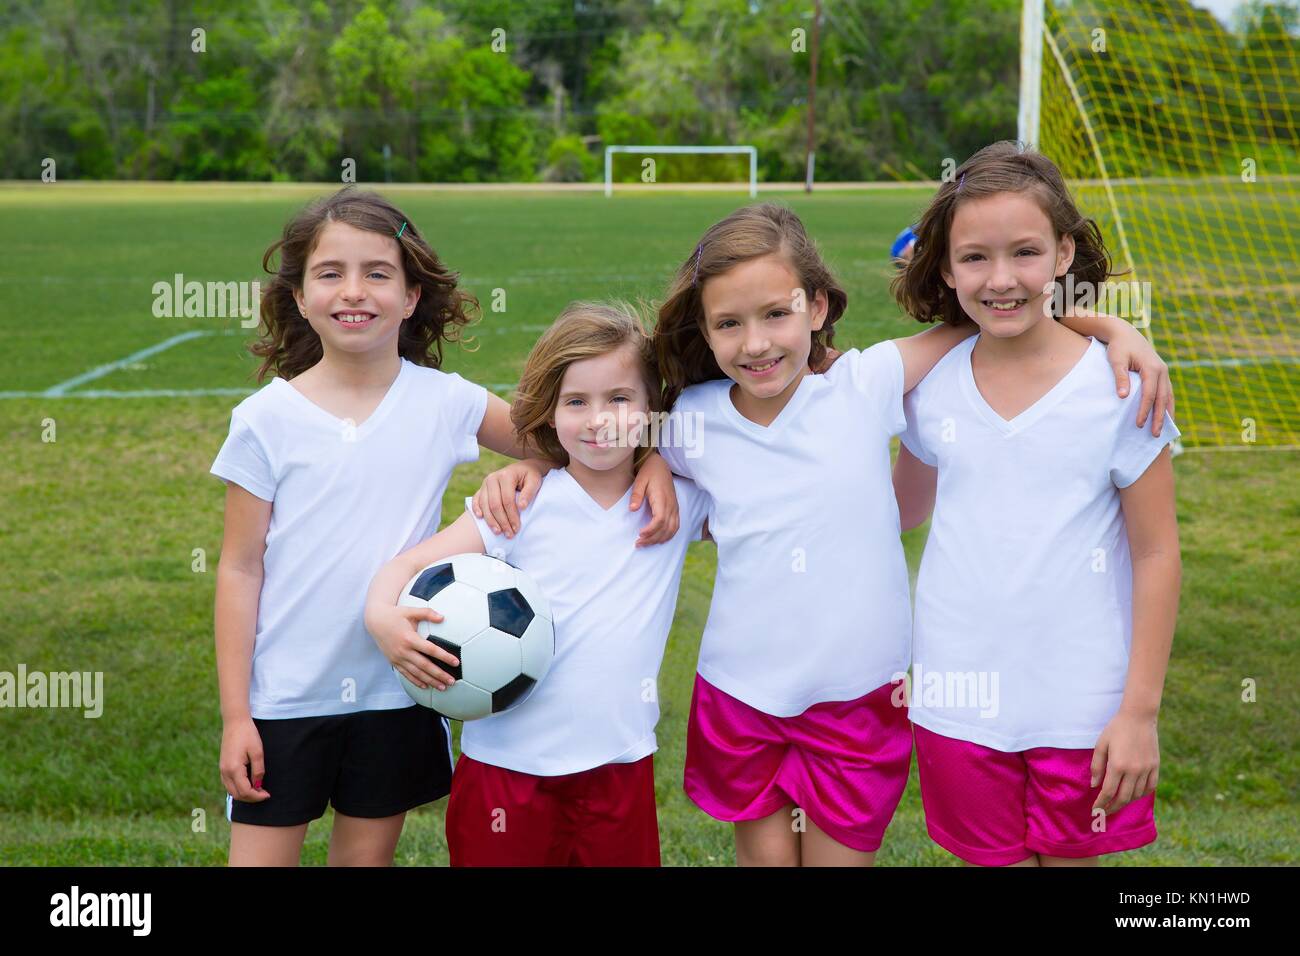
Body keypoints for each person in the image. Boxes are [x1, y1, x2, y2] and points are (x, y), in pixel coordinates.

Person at [211, 189, 678, 866]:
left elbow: (562, 435)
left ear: (411, 296)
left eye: (378, 272)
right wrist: (236, 715)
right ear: (300, 294)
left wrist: (653, 454)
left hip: (403, 689)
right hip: (285, 697)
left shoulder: (445, 400)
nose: (354, 290)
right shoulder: (266, 419)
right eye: (330, 272)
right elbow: (239, 567)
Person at [892, 140, 1180, 866]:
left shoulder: (1121, 389)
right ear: (946, 268)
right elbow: (900, 513)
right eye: (975, 258)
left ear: (1062, 253)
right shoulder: (930, 387)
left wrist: (1139, 710)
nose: (1000, 279)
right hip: (958, 701)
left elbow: (1157, 553)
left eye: (1024, 252)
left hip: (1083, 705)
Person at [364, 302, 710, 866]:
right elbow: (403, 570)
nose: (599, 420)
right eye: (576, 402)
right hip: (504, 773)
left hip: (618, 767)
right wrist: (381, 613)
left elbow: (759, 468)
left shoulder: (674, 504)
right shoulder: (516, 506)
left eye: (620, 399)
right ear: (548, 411)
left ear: (652, 408)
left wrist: (663, 464)